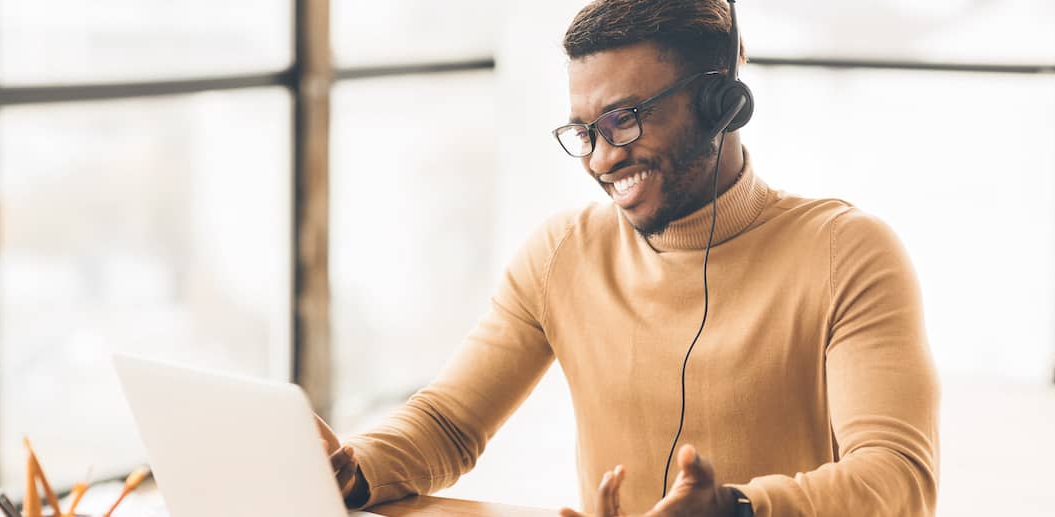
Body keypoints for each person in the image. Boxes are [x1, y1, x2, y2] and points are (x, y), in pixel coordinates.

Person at [316, 1, 940, 515]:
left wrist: (735, 509)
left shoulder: (848, 252)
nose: (600, 159)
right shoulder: (561, 253)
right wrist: (352, 469)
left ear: (717, 103)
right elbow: (449, 423)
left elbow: (898, 479)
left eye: (624, 120)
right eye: (585, 130)